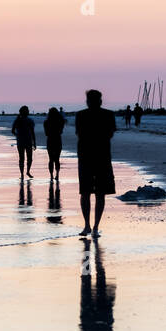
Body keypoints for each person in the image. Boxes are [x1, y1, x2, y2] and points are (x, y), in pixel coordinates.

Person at [74, 89, 116, 237]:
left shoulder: (81, 115)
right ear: (100, 100)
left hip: (86, 157)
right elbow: (110, 134)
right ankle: (95, 227)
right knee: (99, 193)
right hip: (102, 157)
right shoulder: (108, 115)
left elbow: (79, 133)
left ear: (87, 101)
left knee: (86, 192)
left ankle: (88, 226)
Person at [11, 106, 37, 180]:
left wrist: (18, 135)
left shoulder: (17, 120)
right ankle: (27, 172)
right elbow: (32, 132)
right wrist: (34, 142)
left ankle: (22, 174)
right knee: (29, 158)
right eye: (27, 110)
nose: (28, 111)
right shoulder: (29, 121)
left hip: (21, 141)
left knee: (21, 158)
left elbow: (12, 131)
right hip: (28, 141)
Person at [43, 107, 65, 180]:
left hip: (50, 140)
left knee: (51, 159)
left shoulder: (46, 122)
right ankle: (57, 174)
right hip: (58, 140)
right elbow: (61, 132)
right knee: (57, 159)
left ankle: (51, 176)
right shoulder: (60, 121)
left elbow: (46, 134)